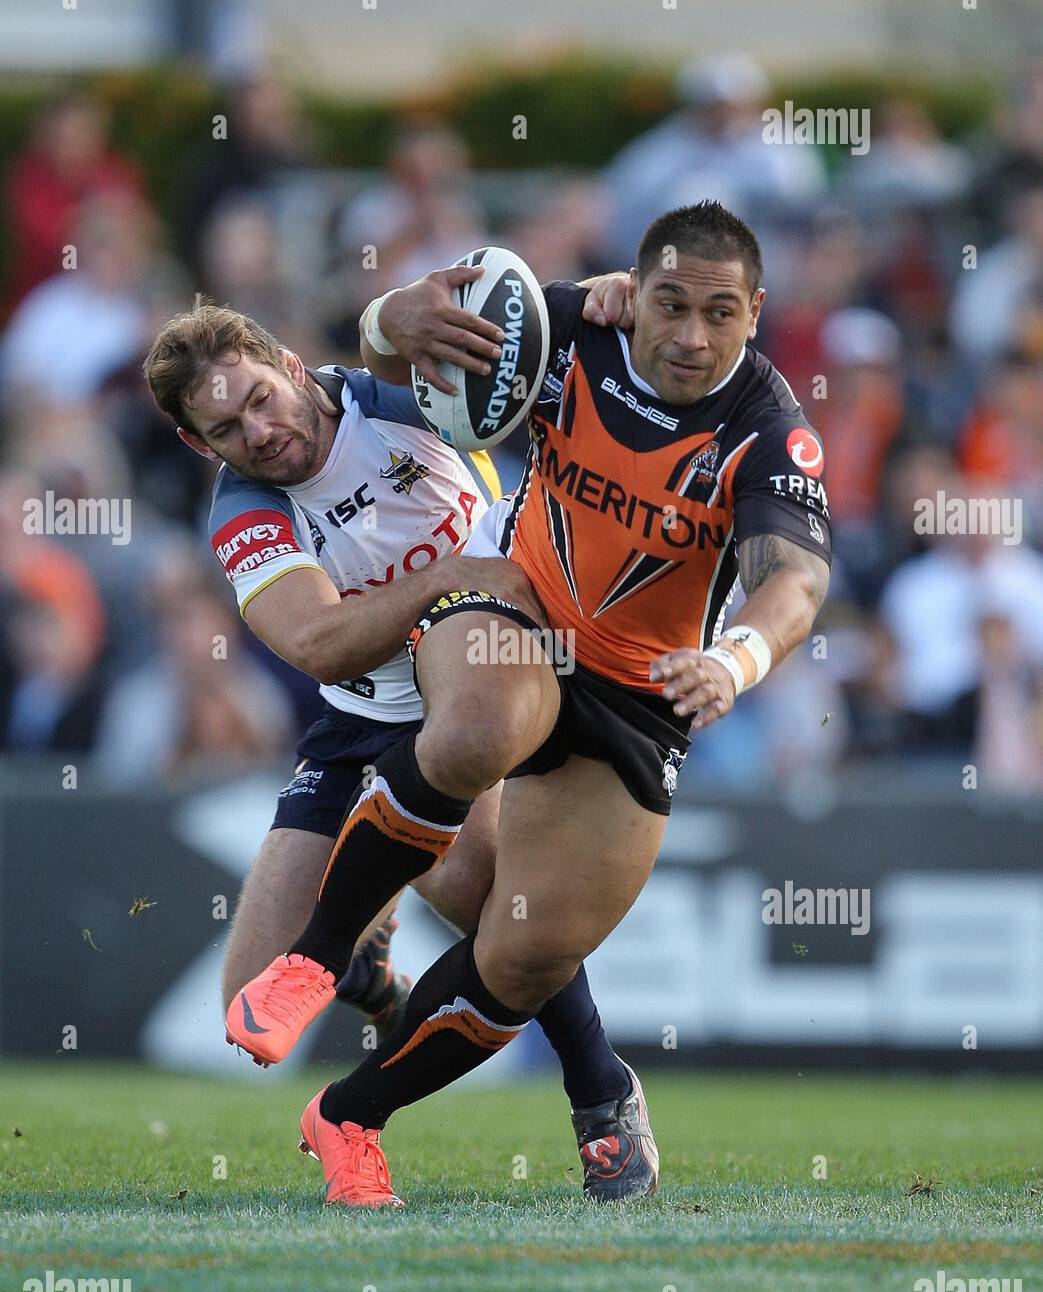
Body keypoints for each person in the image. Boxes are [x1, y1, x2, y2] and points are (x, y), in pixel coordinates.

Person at [233, 200, 833, 1207]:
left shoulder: (767, 429)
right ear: (634, 292)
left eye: (718, 313)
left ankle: (349, 1115)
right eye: (670, 304)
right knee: (478, 726)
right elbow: (388, 344)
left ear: (754, 313)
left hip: (643, 696)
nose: (689, 335)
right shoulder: (566, 329)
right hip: (513, 608)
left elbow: (793, 581)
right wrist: (394, 312)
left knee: (527, 948)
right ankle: (314, 958)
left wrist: (733, 660)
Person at [143, 281, 662, 1201]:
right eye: (225, 430)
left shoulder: (385, 399)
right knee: (245, 1008)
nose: (257, 433)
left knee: (501, 913)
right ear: (198, 444)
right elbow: (316, 641)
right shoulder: (241, 513)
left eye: (259, 398)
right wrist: (447, 574)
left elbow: (460, 323)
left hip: (476, 679)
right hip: (361, 718)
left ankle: (602, 1093)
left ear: (291, 368)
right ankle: (372, 972)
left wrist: (596, 297)